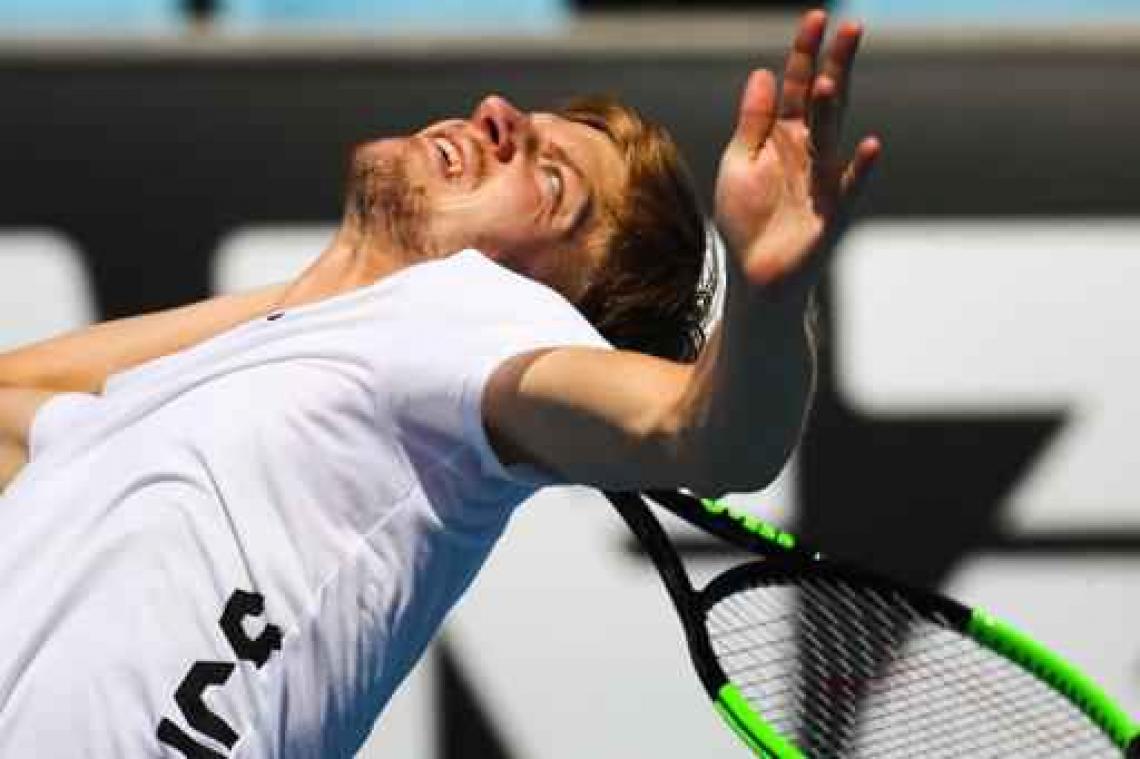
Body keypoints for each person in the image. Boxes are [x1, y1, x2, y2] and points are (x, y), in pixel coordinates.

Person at [0, 9, 878, 757]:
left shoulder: (479, 311)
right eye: (524, 122)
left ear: (560, 303)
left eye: (548, 179)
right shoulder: (241, 381)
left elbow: (705, 432)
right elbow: (14, 400)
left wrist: (767, 299)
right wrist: (327, 287)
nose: (497, 114)